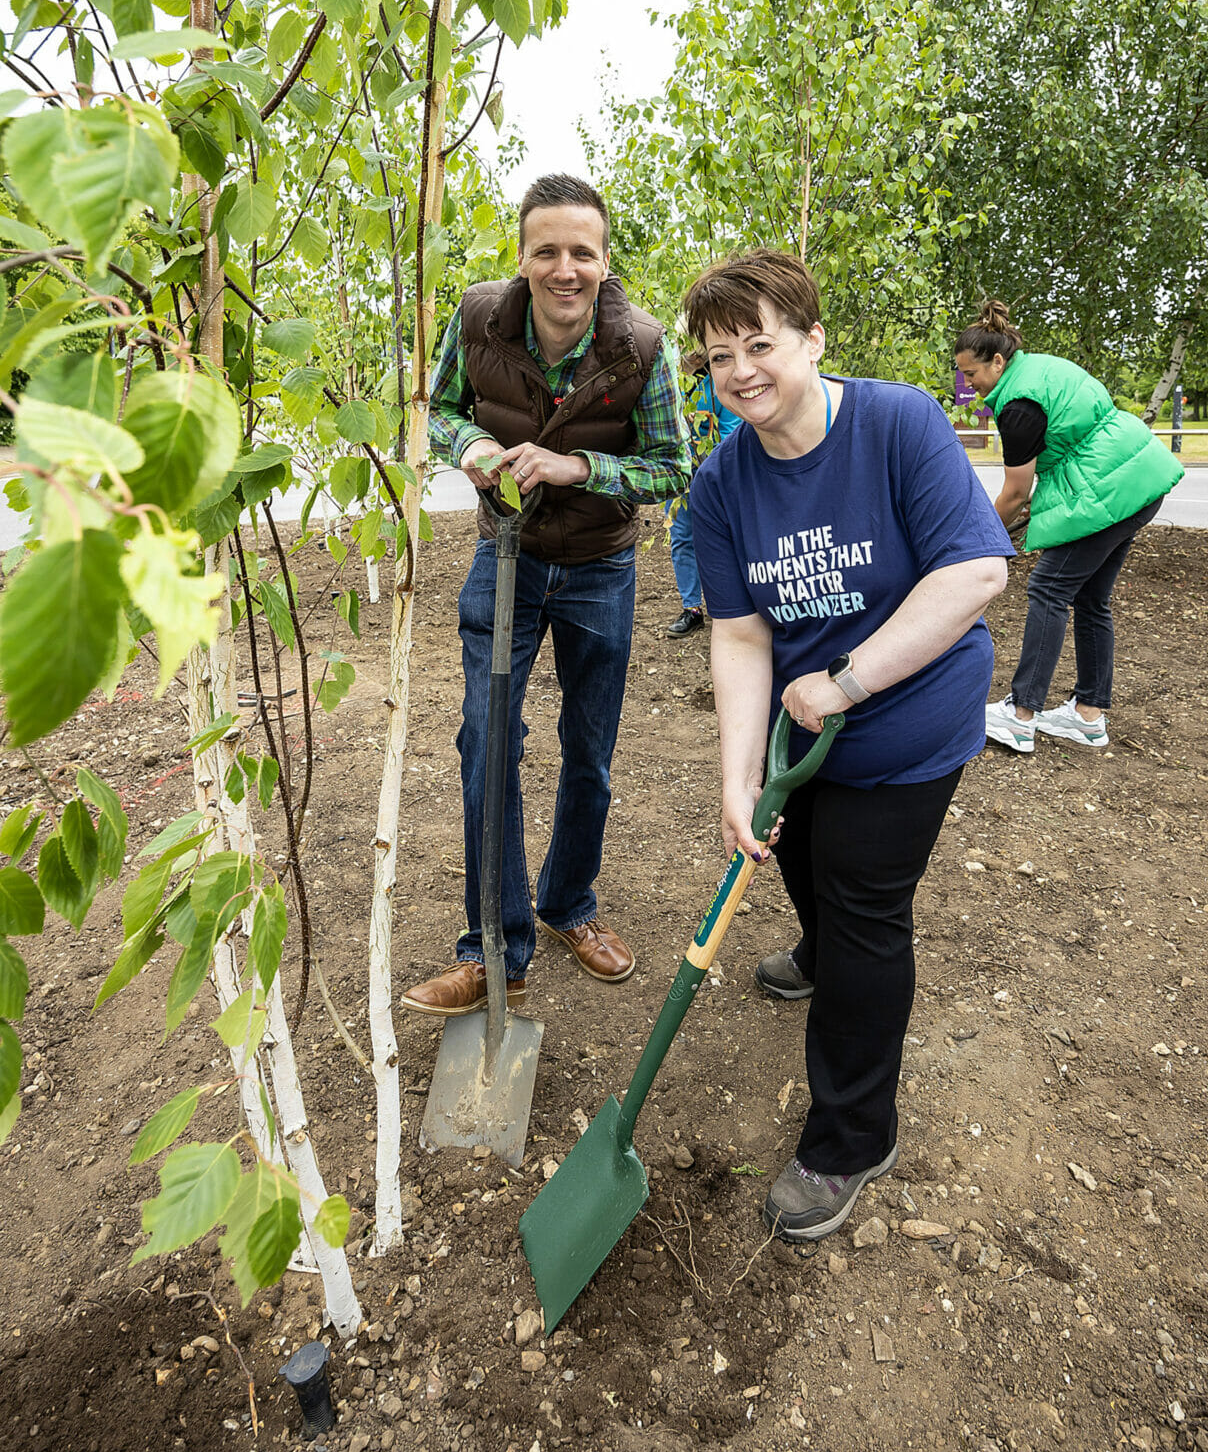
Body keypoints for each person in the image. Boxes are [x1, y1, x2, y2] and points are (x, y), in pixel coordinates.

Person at [683, 250, 1012, 1241]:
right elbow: (741, 635)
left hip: (906, 721)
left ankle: (851, 1138)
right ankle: (816, 951)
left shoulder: (896, 423)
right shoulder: (720, 484)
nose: (739, 371)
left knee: (865, 910)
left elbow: (974, 575)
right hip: (803, 732)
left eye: (758, 344)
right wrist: (739, 774)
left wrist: (848, 681)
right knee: (803, 868)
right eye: (718, 357)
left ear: (812, 338)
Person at [401, 175, 691, 1016]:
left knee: (588, 751)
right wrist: (470, 446)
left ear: (605, 260)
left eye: (583, 253)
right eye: (548, 251)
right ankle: (494, 950)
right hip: (508, 558)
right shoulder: (477, 320)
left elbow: (673, 467)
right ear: (523, 257)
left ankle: (569, 906)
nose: (566, 269)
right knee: (486, 743)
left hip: (600, 568)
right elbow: (436, 410)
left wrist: (578, 467)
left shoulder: (643, 348)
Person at [955, 300, 1184, 755]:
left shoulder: (1018, 407)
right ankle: (1088, 716)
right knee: (1091, 597)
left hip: (1109, 489)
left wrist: (982, 541)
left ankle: (1021, 715)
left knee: (1048, 588)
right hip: (1139, 477)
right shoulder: (1038, 368)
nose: (969, 384)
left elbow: (1015, 493)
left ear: (997, 362)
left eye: (971, 373)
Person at [665, 348, 742, 637]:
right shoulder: (667, 375)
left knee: (727, 536)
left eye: (699, 350)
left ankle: (733, 605)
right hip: (676, 473)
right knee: (682, 537)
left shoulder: (719, 381)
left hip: (713, 474)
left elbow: (730, 434)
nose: (693, 355)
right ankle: (692, 609)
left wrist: (710, 473)